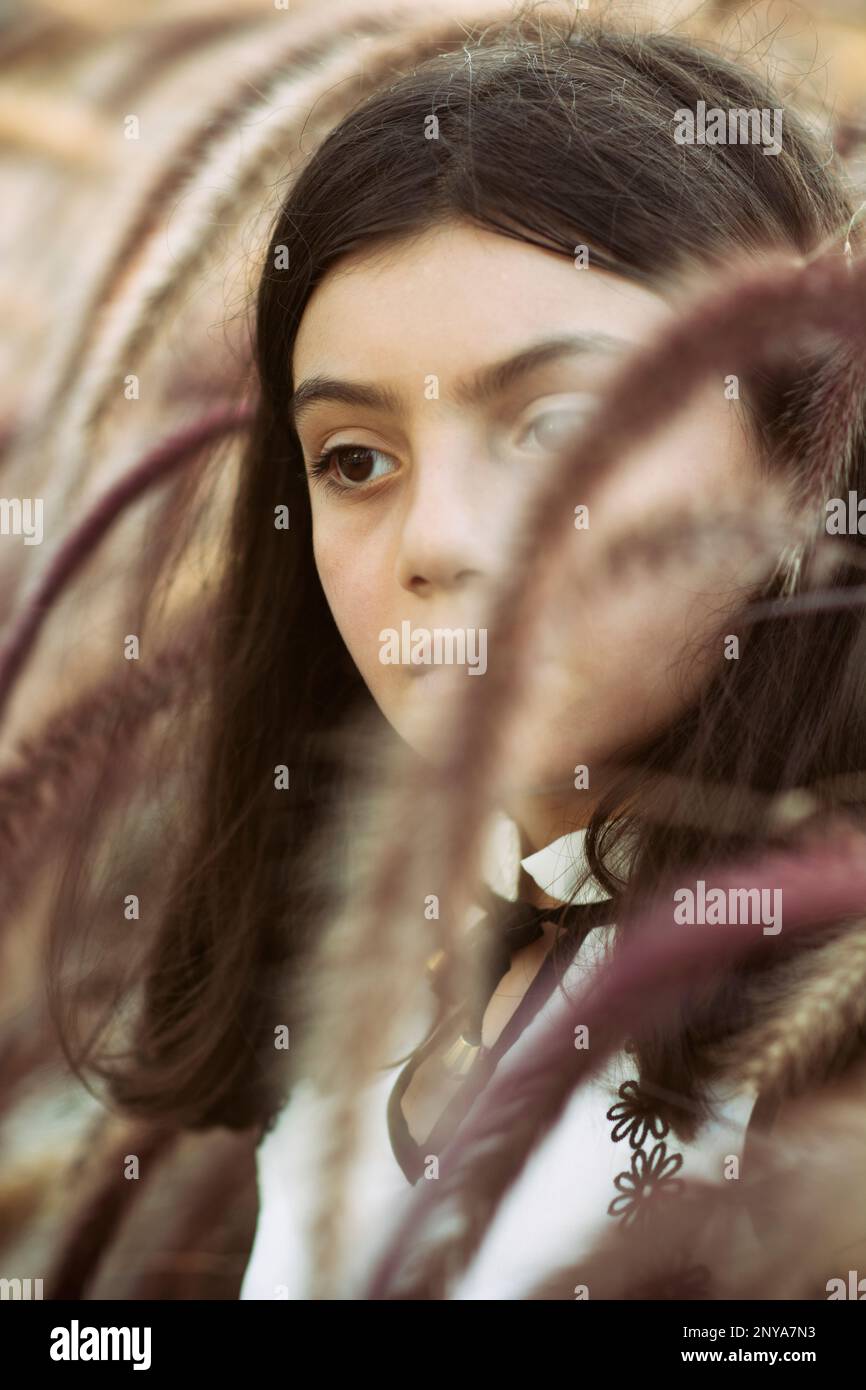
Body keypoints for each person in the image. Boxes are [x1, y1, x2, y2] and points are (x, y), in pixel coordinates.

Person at [56, 11, 866, 1299]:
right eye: (355, 461)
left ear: (800, 456)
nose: (437, 539)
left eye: (558, 427)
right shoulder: (359, 1019)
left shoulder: (832, 1041)